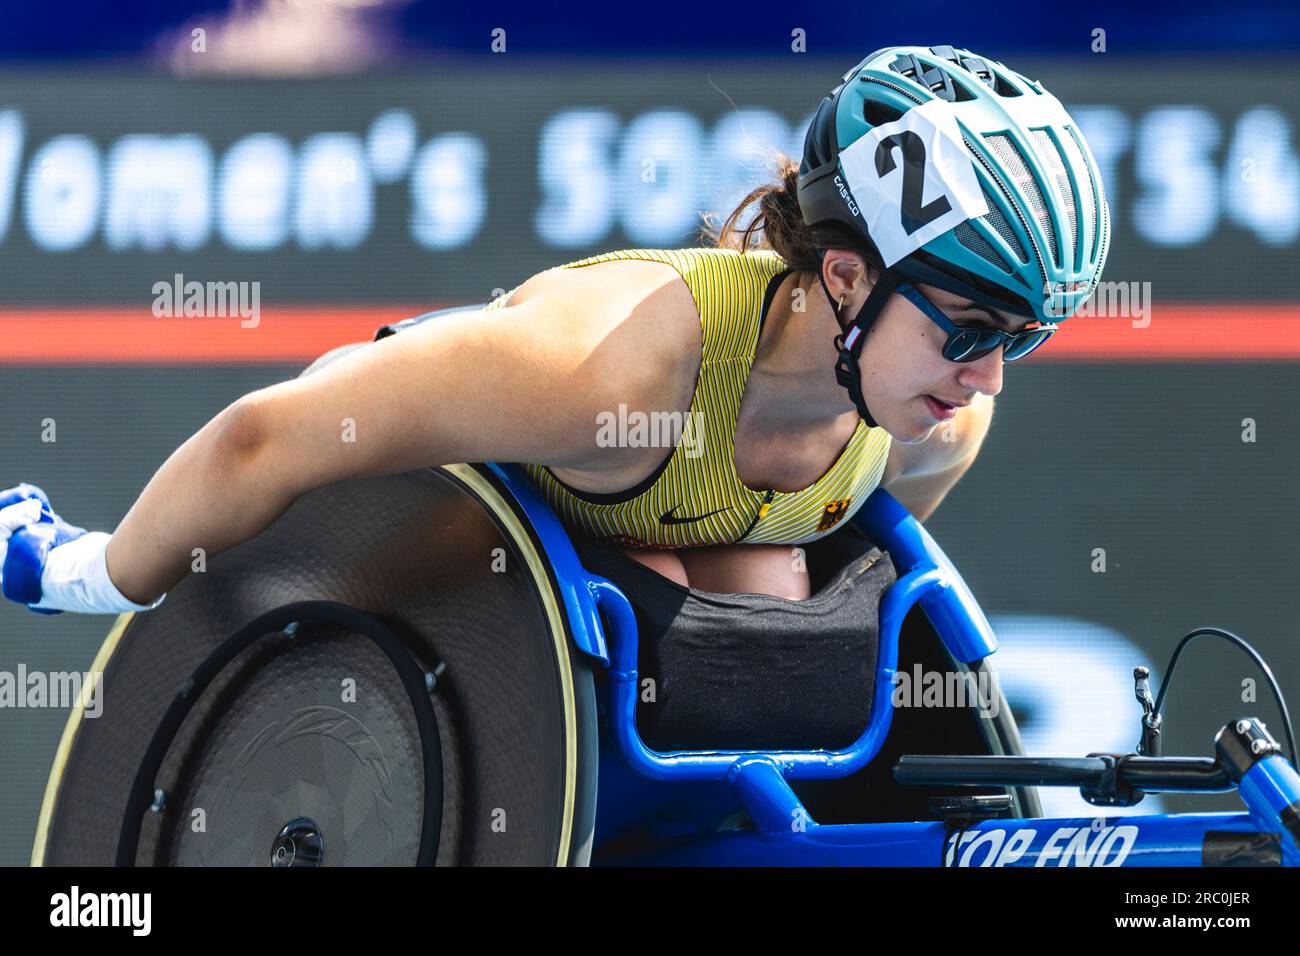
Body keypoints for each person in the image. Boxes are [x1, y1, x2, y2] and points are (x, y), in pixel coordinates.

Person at [1, 43, 1109, 613]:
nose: (988, 381)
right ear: (846, 274)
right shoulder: (605, 367)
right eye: (970, 328)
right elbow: (263, 437)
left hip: (595, 625)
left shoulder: (932, 425)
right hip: (395, 534)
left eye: (1020, 339)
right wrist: (88, 571)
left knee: (762, 595)